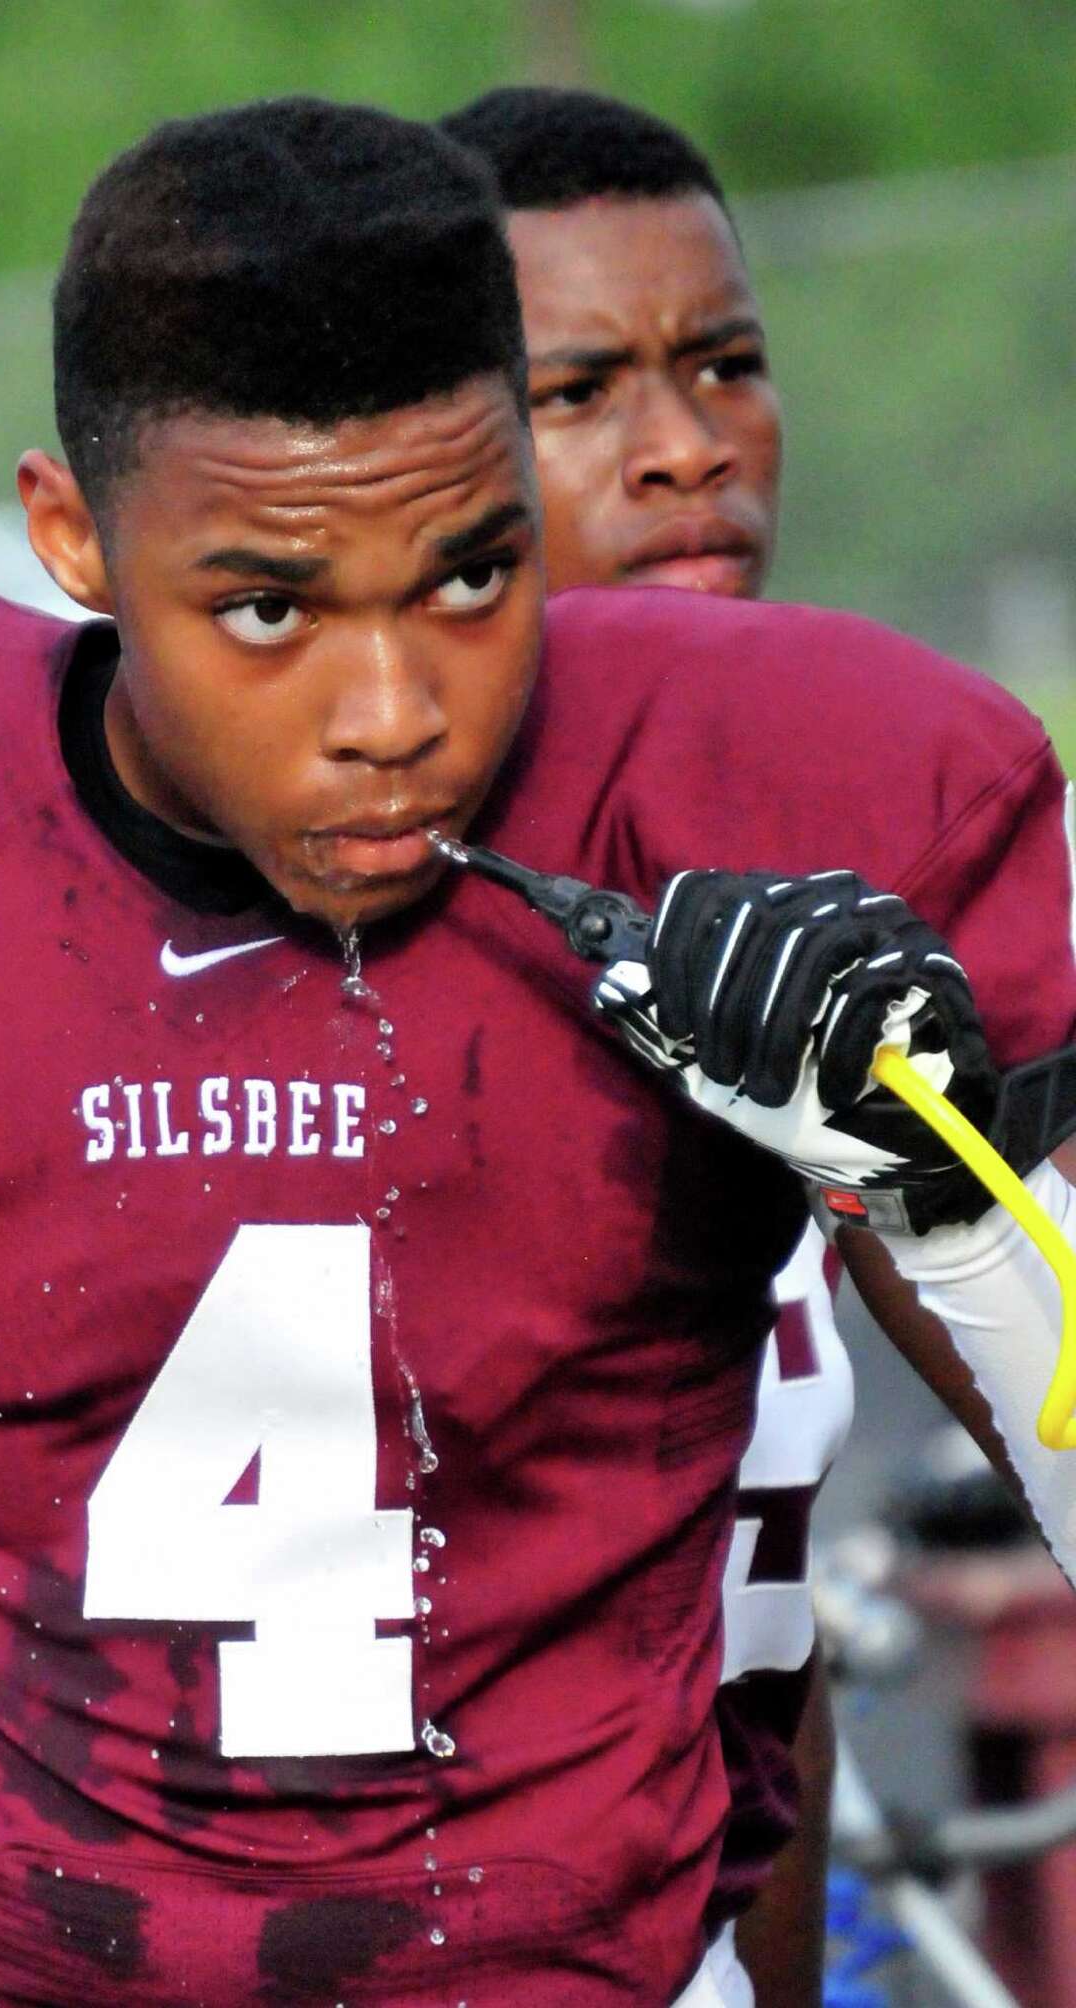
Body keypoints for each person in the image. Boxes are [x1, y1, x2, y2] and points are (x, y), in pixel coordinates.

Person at [0, 97, 1076, 2008]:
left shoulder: (762, 785)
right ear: (72, 537)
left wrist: (952, 1206)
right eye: (267, 606)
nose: (391, 713)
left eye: (466, 576)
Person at [438, 84, 847, 2007]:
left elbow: (760, 1651)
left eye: (727, 366)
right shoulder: (372, 930)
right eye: (582, 390)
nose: (691, 449)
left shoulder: (840, 869)